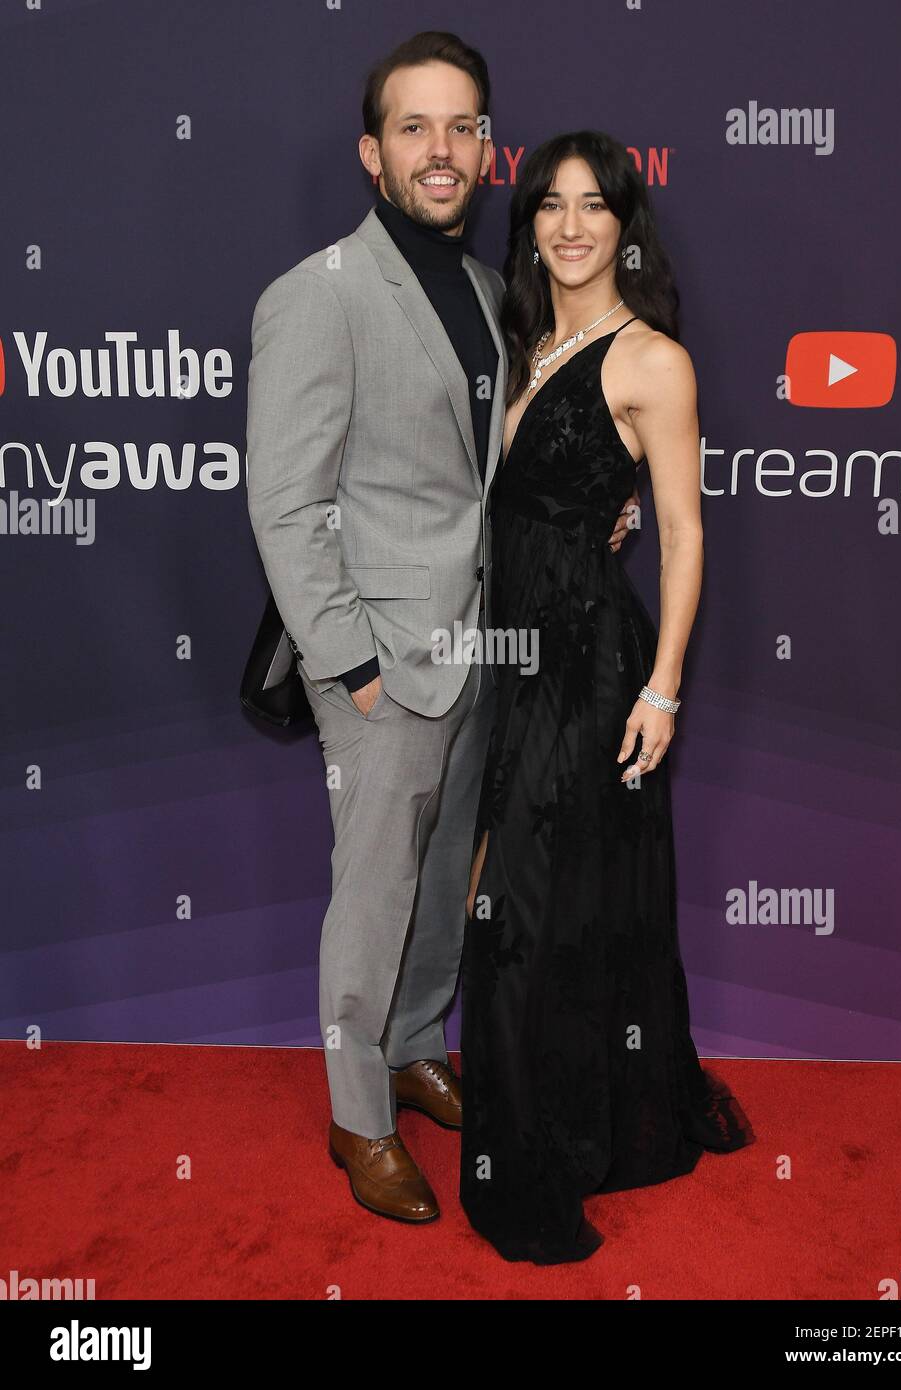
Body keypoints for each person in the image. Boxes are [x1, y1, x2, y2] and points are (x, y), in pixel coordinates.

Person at [245, 34, 636, 1224]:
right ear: (374, 153)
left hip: (478, 653)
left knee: (439, 882)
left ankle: (419, 1045)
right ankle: (358, 1115)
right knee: (369, 895)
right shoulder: (316, 295)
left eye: (461, 127)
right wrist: (350, 664)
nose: (441, 150)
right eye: (414, 128)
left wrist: (595, 508)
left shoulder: (479, 291)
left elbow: (489, 477)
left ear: (483, 148)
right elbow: (285, 499)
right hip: (378, 663)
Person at [459, 131, 756, 1264]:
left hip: (592, 669)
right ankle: (581, 1118)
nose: (571, 225)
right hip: (513, 659)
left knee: (522, 916)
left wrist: (665, 689)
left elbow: (682, 534)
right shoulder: (526, 339)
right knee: (547, 908)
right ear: (527, 219)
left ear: (627, 223)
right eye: (549, 204)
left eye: (594, 204)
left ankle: (529, 1162)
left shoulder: (651, 361)